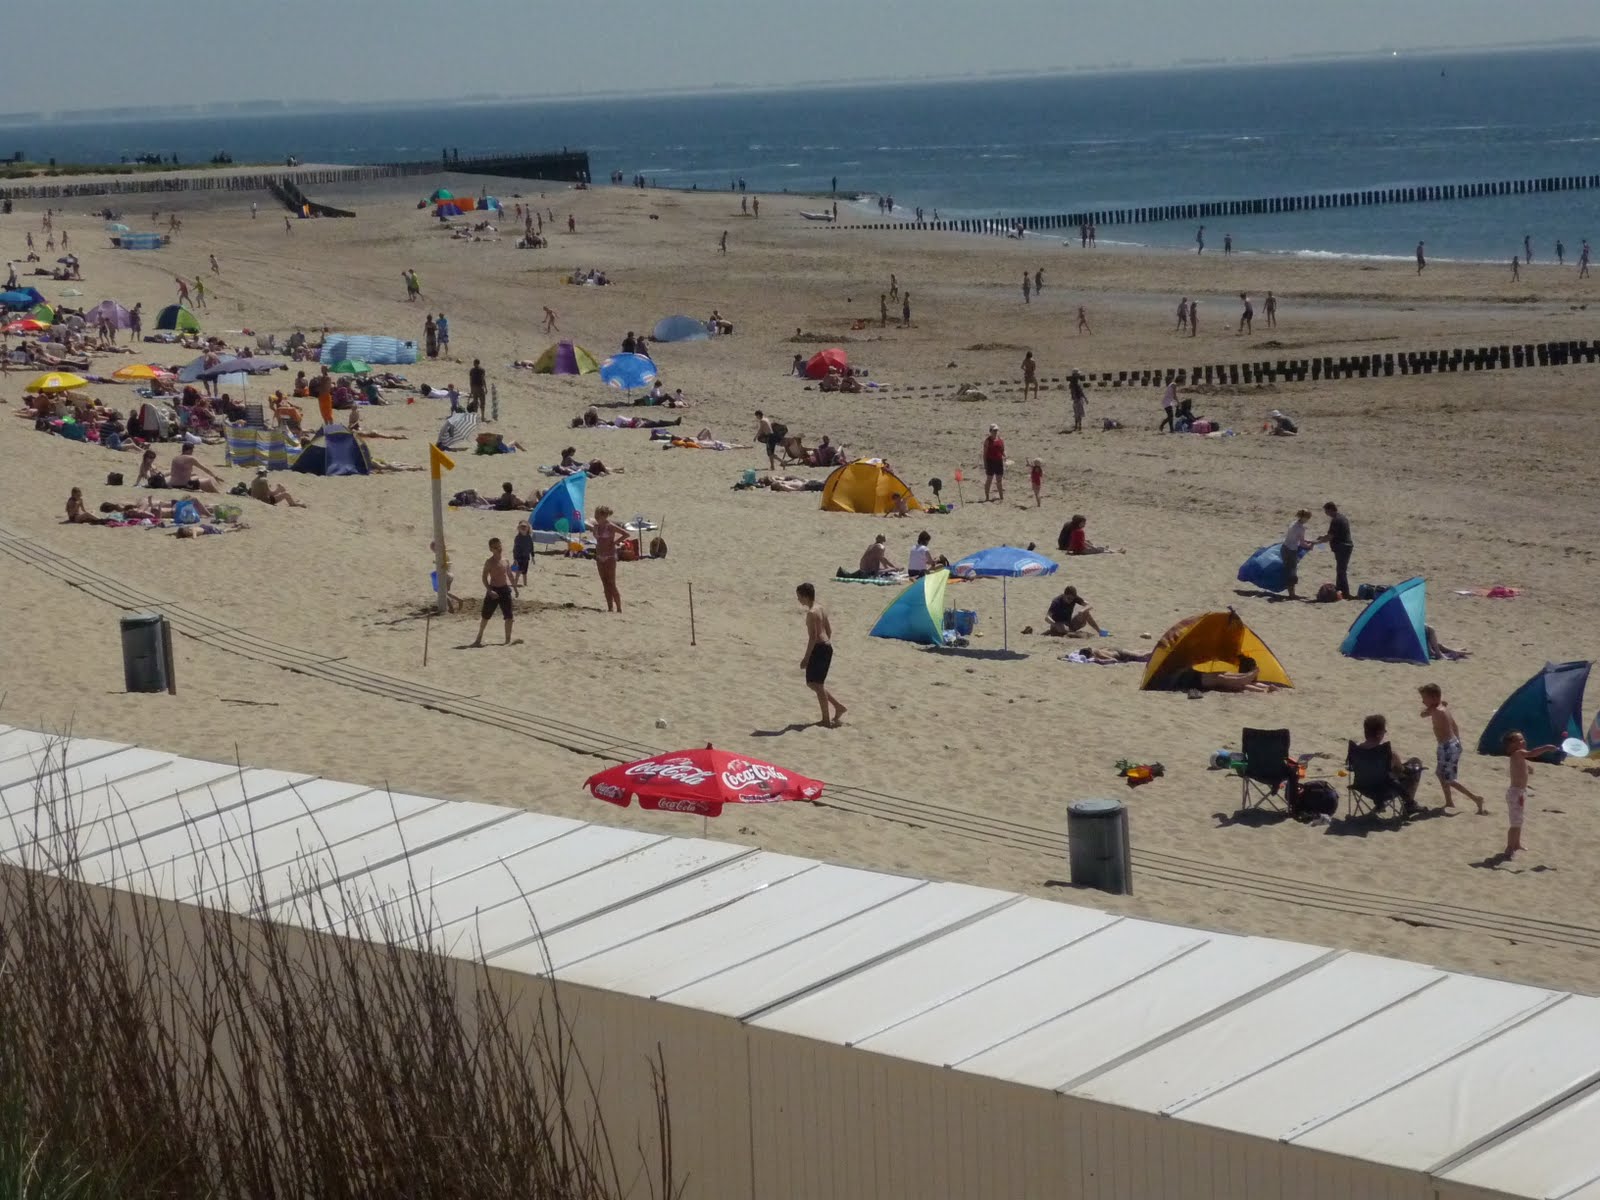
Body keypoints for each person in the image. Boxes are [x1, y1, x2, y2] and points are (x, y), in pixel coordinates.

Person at [1419, 683, 1486, 813]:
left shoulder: (1436, 710)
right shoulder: (1443, 708)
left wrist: (1430, 708)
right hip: (1451, 744)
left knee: (1448, 779)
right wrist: (1458, 741)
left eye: (1424, 698)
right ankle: (1449, 801)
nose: (1423, 701)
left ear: (1433, 698)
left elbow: (1422, 714)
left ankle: (1476, 798)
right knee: (1440, 773)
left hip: (1447, 747)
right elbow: (1455, 726)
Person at [1501, 730, 1558, 856]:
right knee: (1515, 823)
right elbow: (1532, 753)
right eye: (1520, 740)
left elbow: (1523, 765)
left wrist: (1528, 769)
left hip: (1520, 793)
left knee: (1519, 820)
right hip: (1515, 794)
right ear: (1512, 745)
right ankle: (1509, 847)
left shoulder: (1519, 756)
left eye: (1523, 739)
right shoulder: (1518, 753)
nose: (1524, 741)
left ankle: (1517, 844)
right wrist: (1547, 747)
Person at [797, 582, 846, 727]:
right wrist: (825, 644)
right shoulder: (821, 608)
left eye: (799, 596)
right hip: (826, 647)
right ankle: (838, 707)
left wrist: (806, 658)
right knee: (814, 683)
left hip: (819, 648)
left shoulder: (812, 613)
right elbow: (829, 631)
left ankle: (826, 719)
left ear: (805, 596)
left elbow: (813, 637)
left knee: (816, 684)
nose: (798, 599)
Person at [471, 538, 516, 647]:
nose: (498, 549)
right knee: (486, 616)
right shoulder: (489, 562)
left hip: (505, 589)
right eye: (495, 547)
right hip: (493, 590)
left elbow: (509, 575)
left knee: (509, 616)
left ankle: (507, 640)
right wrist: (490, 590)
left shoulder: (506, 560)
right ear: (491, 549)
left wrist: (515, 588)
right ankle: (478, 638)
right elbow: (484, 577)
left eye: (499, 546)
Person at [592, 506, 630, 612]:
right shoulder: (595, 527)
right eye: (596, 515)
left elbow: (626, 534)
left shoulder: (611, 526)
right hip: (599, 555)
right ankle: (610, 608)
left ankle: (619, 608)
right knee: (604, 583)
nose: (596, 517)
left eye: (598, 515)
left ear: (604, 516)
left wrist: (614, 543)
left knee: (611, 583)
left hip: (610, 556)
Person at [1318, 501, 1353, 598]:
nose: (1326, 513)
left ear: (1330, 509)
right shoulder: (1341, 518)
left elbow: (1330, 536)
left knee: (1341, 570)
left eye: (1326, 511)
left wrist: (1318, 542)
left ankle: (1345, 593)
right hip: (1345, 546)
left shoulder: (1336, 520)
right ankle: (1341, 590)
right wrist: (1323, 537)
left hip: (1343, 547)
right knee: (1341, 570)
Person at [1279, 509, 1313, 599]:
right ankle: (1292, 594)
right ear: (1304, 517)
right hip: (1291, 551)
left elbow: (1295, 538)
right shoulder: (1301, 528)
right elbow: (1302, 543)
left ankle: (1290, 592)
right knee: (1292, 572)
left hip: (1284, 548)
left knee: (1288, 570)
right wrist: (1309, 546)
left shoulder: (1293, 523)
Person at [982, 424, 1005, 502]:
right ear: (990, 431)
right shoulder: (987, 441)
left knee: (999, 480)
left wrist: (1005, 456)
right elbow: (984, 454)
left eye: (996, 430)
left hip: (999, 462)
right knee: (989, 480)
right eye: (994, 430)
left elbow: (1002, 450)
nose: (995, 432)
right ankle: (987, 497)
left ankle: (1001, 497)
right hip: (990, 462)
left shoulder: (1000, 440)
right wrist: (985, 464)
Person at [512, 520, 534, 588]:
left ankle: (525, 584)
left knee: (525, 572)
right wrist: (515, 558)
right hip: (519, 557)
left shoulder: (529, 537)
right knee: (518, 571)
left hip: (526, 557)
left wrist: (533, 556)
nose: (523, 528)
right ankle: (515, 584)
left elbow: (531, 547)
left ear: (528, 528)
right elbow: (515, 549)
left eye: (525, 527)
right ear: (519, 528)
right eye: (522, 527)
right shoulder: (518, 538)